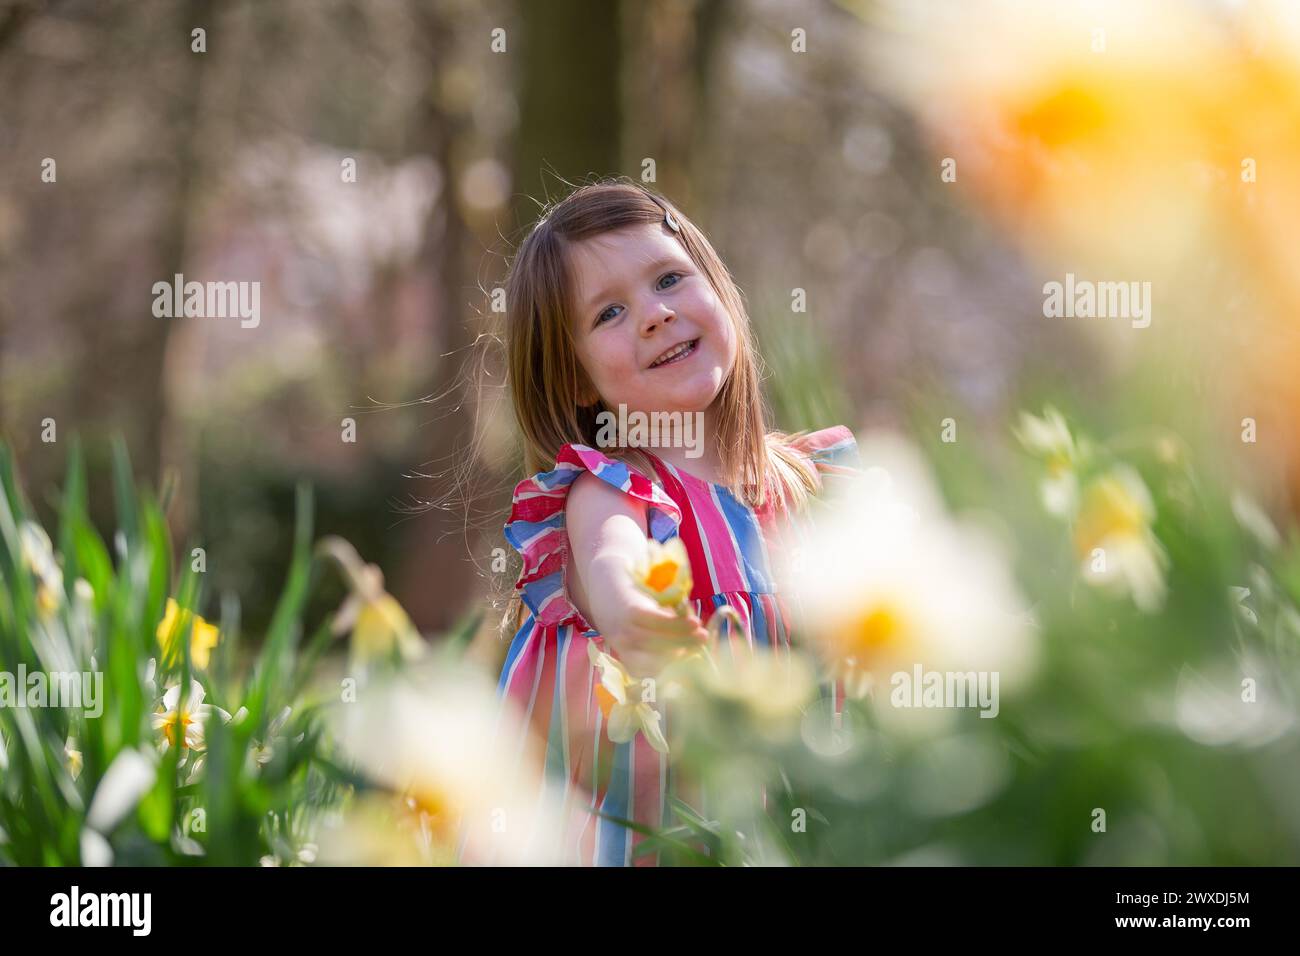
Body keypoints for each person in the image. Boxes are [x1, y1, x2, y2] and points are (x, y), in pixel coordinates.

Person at [491, 179, 858, 866]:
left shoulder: (816, 485)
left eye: (668, 279)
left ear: (716, 288)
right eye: (608, 314)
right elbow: (611, 560)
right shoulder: (610, 489)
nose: (654, 315)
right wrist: (632, 612)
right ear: (576, 380)